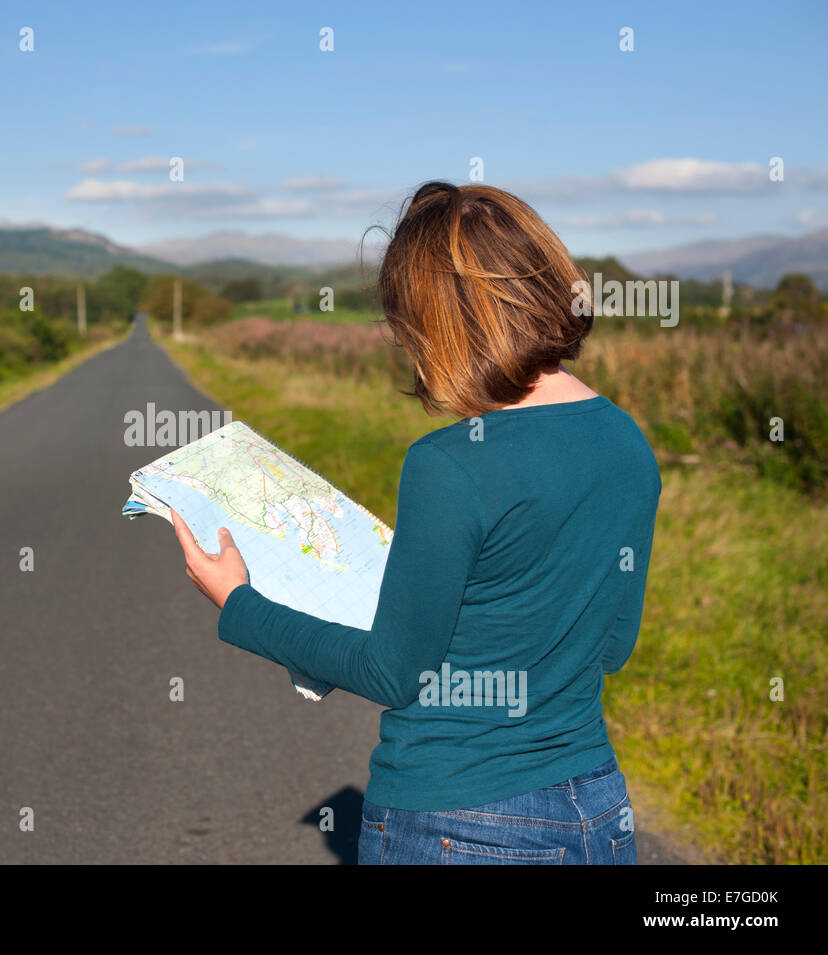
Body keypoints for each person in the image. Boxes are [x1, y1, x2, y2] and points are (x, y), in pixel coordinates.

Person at [171, 181, 661, 865]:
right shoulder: (627, 443)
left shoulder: (448, 465)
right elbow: (611, 646)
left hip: (458, 820)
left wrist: (240, 603)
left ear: (438, 322)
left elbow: (393, 672)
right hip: (598, 811)